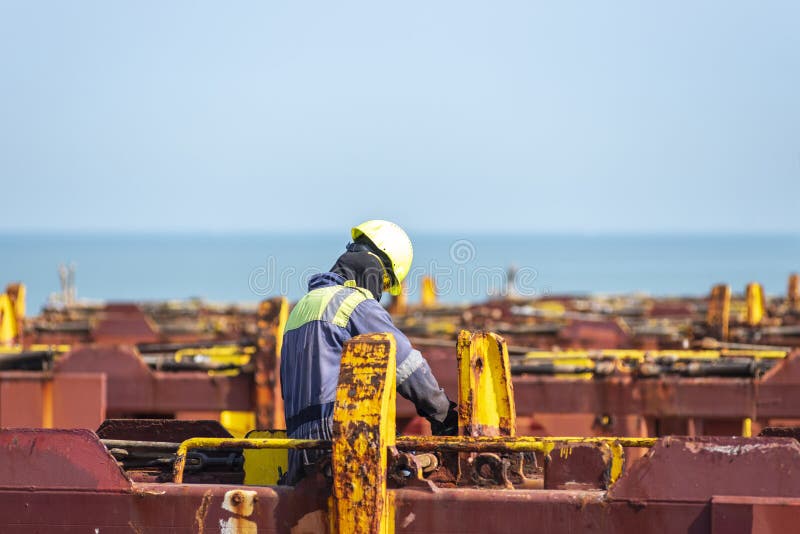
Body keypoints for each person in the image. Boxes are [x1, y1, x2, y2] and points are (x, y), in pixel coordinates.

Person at [280, 219, 458, 484]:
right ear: (376, 265)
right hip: (338, 448)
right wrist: (443, 414)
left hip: (297, 452)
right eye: (385, 283)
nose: (381, 293)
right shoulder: (354, 303)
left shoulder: (301, 308)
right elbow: (407, 365)